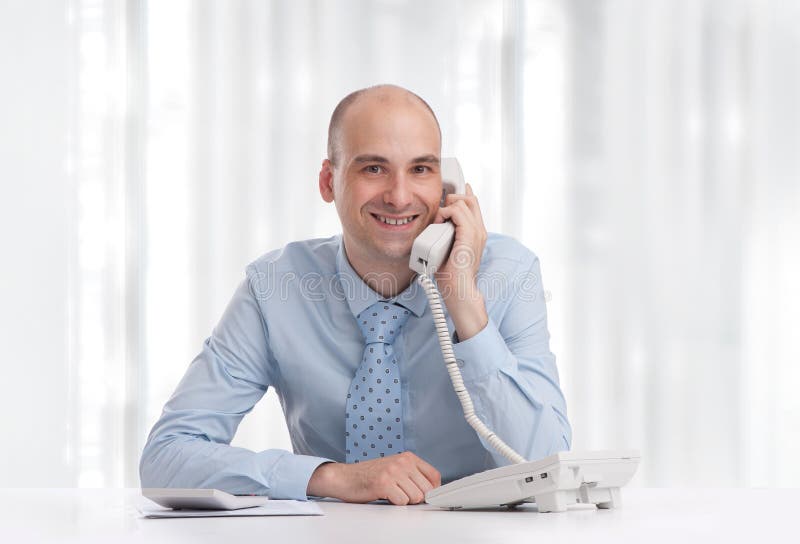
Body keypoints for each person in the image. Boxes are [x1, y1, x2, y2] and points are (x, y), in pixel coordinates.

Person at [139, 84, 571, 506]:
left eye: (421, 169)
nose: (400, 197)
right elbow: (167, 456)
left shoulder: (508, 273)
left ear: (447, 185)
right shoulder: (275, 288)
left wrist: (463, 303)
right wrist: (332, 477)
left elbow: (547, 466)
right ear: (329, 181)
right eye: (374, 169)